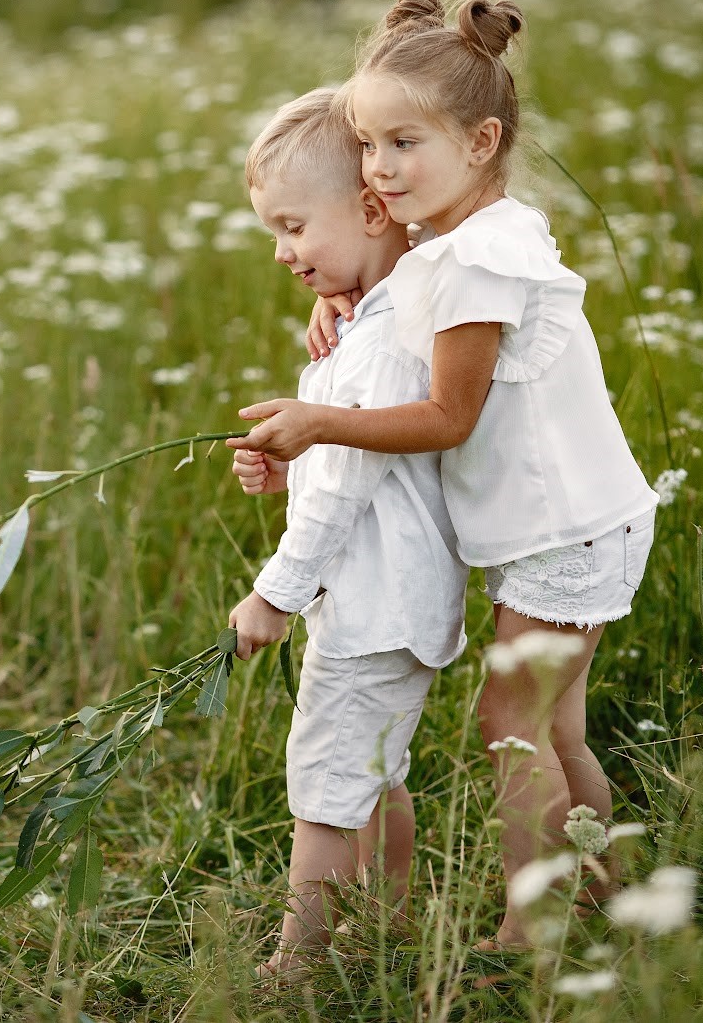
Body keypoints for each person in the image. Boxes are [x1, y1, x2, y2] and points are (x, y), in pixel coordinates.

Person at [227, 0, 659, 950]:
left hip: (564, 529)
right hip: (567, 520)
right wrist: (342, 305)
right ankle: (607, 897)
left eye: (402, 145)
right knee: (556, 732)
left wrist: (320, 419)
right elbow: (398, 282)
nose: (379, 174)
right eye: (370, 148)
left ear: (480, 140)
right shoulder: (464, 237)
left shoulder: (473, 264)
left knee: (512, 725)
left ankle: (532, 928)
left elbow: (447, 415)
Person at [226, 84, 468, 978]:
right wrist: (287, 463)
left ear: (371, 208)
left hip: (369, 607)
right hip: (395, 598)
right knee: (375, 769)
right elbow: (354, 464)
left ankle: (298, 962)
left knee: (326, 783)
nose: (283, 252)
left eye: (293, 226)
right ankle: (391, 926)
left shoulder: (375, 340)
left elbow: (343, 490)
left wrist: (272, 595)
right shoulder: (375, 318)